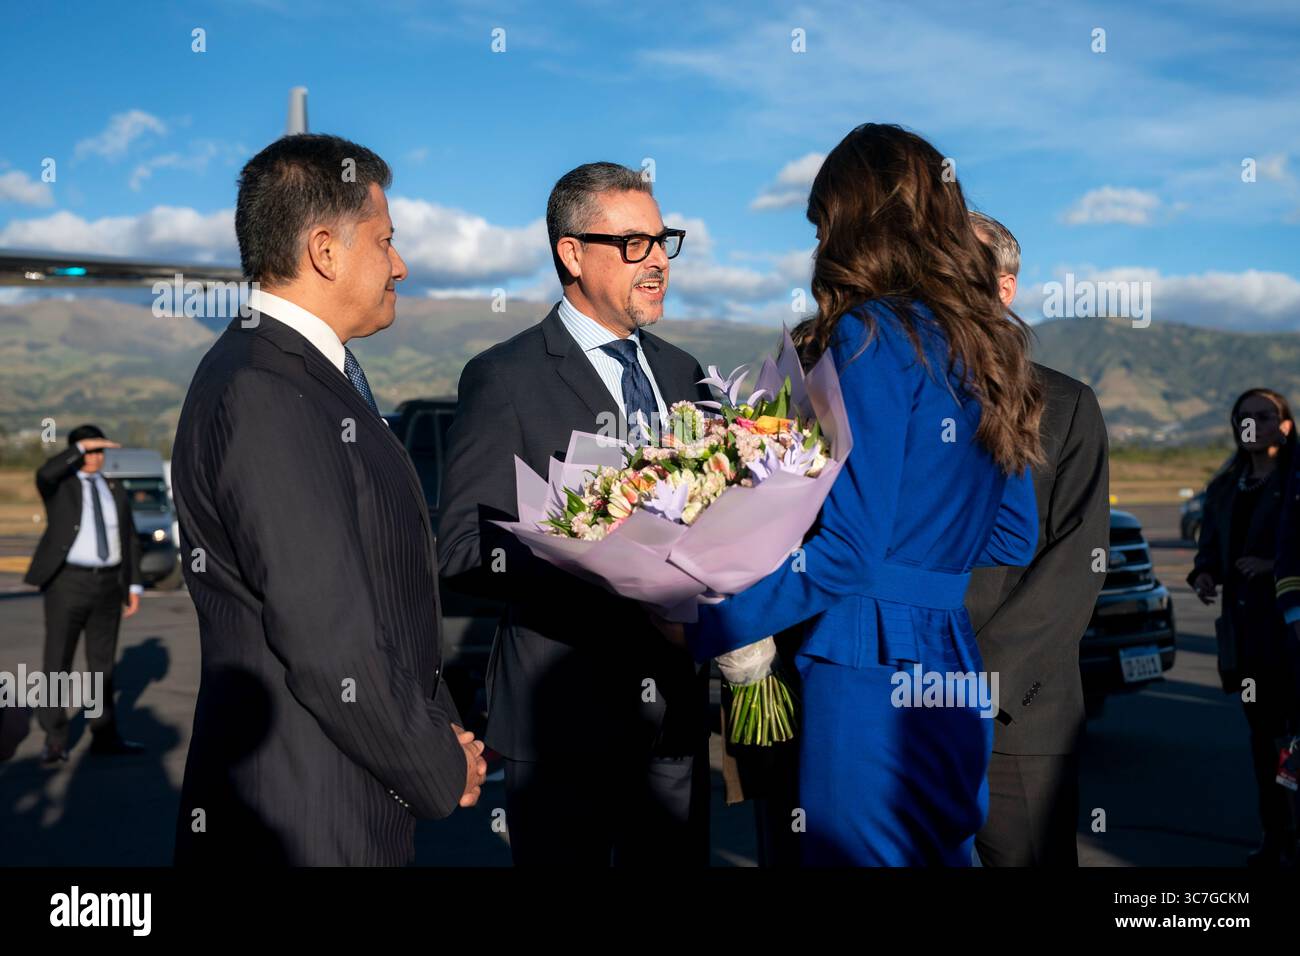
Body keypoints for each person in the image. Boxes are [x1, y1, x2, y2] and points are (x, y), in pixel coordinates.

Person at [678, 123, 1045, 866]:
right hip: (952, 662)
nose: (818, 243)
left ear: (856, 220)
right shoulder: (984, 344)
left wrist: (716, 624)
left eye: (822, 223)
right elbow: (1013, 537)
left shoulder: (872, 334)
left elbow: (845, 555)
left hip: (867, 660)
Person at [171, 134, 485, 866]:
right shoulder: (266, 390)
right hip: (306, 816)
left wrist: (440, 726)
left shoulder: (302, 375)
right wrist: (438, 763)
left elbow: (376, 589)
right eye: (386, 240)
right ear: (325, 250)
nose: (400, 264)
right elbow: (327, 633)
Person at [438, 162, 714, 866]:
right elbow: (464, 547)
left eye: (662, 241)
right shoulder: (506, 377)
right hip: (564, 718)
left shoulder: (688, 374)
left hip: (674, 716)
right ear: (571, 252)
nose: (656, 261)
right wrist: (594, 557)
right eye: (634, 244)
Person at [965, 212, 1110, 866]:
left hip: (1019, 719)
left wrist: (975, 685)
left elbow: (1077, 564)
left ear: (1005, 288)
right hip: (899, 702)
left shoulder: (1068, 404)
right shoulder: (889, 393)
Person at [1190, 388, 1299, 866]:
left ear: (1286, 425)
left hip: (1290, 634)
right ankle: (1275, 838)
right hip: (1247, 637)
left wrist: (1276, 565)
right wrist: (1205, 573)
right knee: (1263, 741)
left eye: (1264, 415)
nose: (1252, 424)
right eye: (1243, 417)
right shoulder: (1225, 487)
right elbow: (1209, 550)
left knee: (1293, 740)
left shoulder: (1296, 483)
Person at [25, 424, 145, 764]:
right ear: (76, 453)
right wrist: (80, 447)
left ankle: (105, 735)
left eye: (99, 451)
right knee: (57, 662)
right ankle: (55, 738)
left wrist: (133, 584)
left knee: (101, 666)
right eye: (89, 451)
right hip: (68, 583)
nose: (95, 457)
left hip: (108, 584)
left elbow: (130, 536)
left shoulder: (113, 486)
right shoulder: (59, 485)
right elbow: (45, 472)